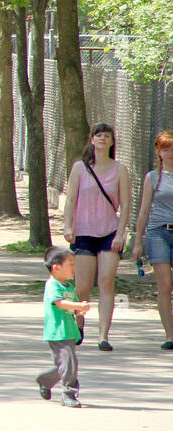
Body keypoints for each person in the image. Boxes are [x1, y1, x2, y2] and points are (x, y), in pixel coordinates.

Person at [61, 123, 132, 351]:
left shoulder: (119, 169)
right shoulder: (80, 168)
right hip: (83, 231)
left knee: (106, 282)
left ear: (112, 142)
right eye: (98, 135)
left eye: (107, 136)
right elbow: (71, 199)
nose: (102, 139)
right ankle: (79, 322)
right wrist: (67, 226)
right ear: (92, 140)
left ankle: (103, 335)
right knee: (82, 287)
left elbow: (126, 205)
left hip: (109, 232)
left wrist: (121, 233)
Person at [133, 131, 173, 349]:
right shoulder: (153, 177)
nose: (170, 154)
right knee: (165, 285)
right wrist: (138, 241)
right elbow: (144, 210)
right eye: (165, 149)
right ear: (159, 152)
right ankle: (169, 334)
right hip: (158, 232)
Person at [37, 249, 88, 407]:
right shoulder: (52, 285)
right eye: (71, 264)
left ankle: (45, 380)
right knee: (70, 363)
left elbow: (71, 307)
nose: (74, 267)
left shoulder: (69, 287)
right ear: (56, 267)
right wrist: (77, 305)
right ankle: (68, 393)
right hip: (57, 331)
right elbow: (60, 303)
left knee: (65, 364)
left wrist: (79, 310)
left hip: (69, 330)